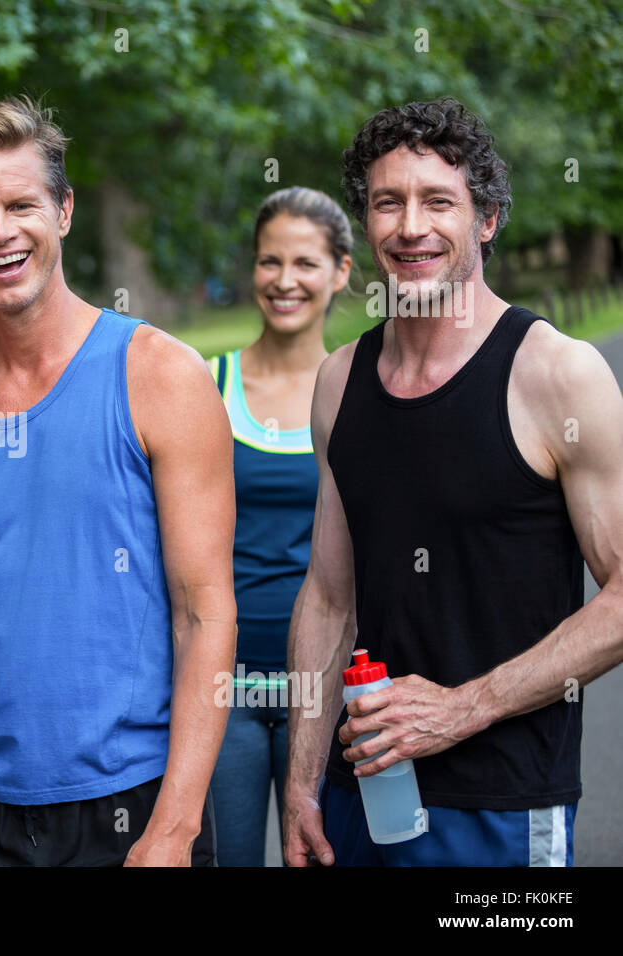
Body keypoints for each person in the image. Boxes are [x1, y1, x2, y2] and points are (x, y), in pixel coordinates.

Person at [0, 96, 236, 866]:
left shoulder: (161, 376)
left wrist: (177, 827)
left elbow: (204, 614)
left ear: (65, 211)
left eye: (22, 205)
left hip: (136, 805)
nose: (0, 232)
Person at [283, 98, 623, 867]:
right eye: (387, 203)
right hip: (360, 792)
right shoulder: (340, 382)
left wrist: (462, 709)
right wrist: (302, 783)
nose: (411, 227)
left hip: (501, 806)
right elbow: (330, 596)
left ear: (488, 218)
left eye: (439, 201)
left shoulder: (556, 374)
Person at [206, 187, 352, 867]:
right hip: (222, 688)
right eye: (270, 262)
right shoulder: (207, 383)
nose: (285, 281)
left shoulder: (364, 390)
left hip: (327, 691)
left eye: (305, 263)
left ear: (342, 272)